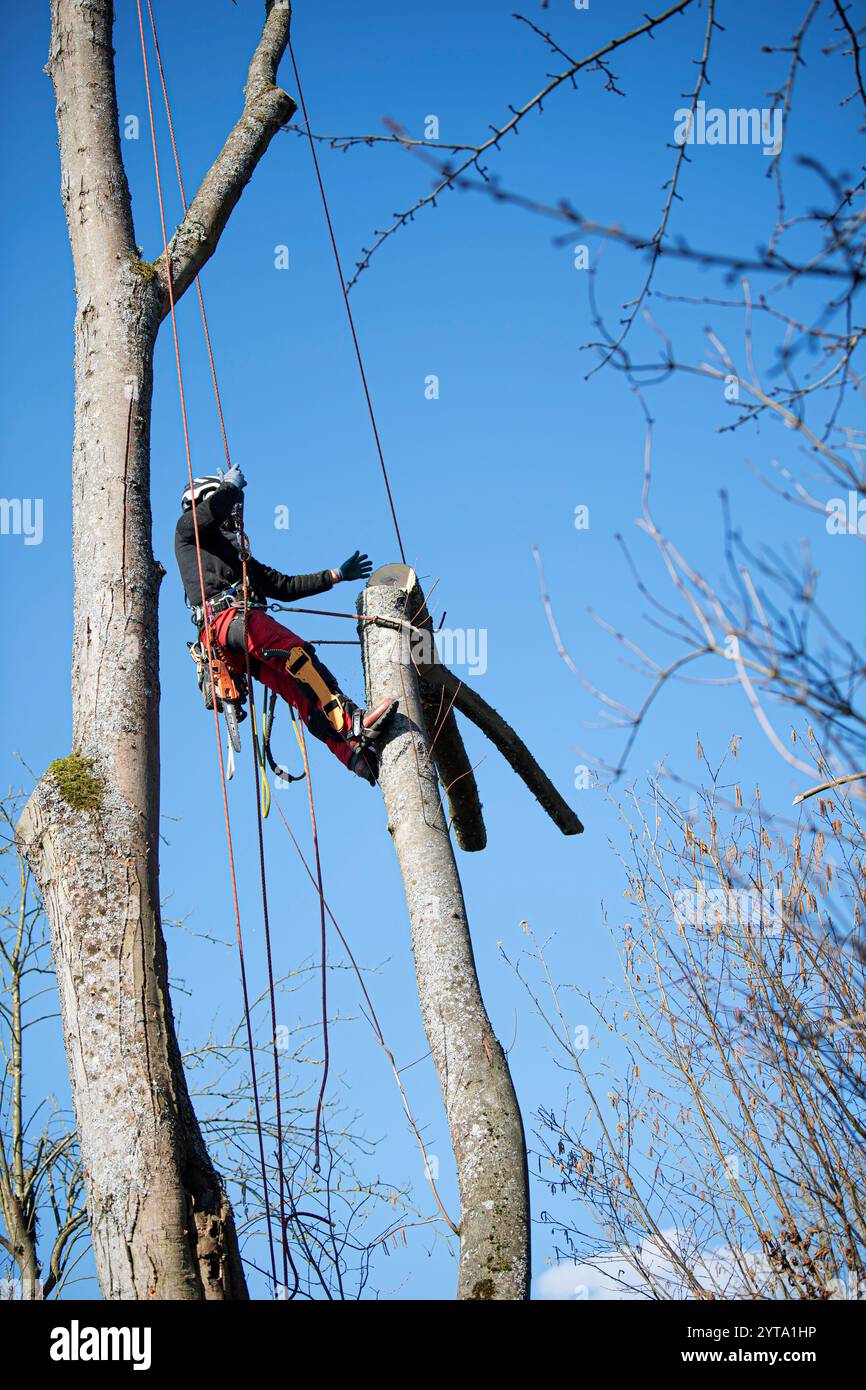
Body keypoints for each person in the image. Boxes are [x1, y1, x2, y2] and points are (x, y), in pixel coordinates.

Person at [175, 467, 396, 783]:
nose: (234, 517)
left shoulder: (236, 556)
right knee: (297, 655)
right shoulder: (188, 531)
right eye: (229, 507)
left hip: (235, 637)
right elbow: (212, 511)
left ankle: (352, 754)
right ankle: (352, 722)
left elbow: (281, 584)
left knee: (299, 691)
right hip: (229, 622)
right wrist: (230, 488)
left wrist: (333, 575)